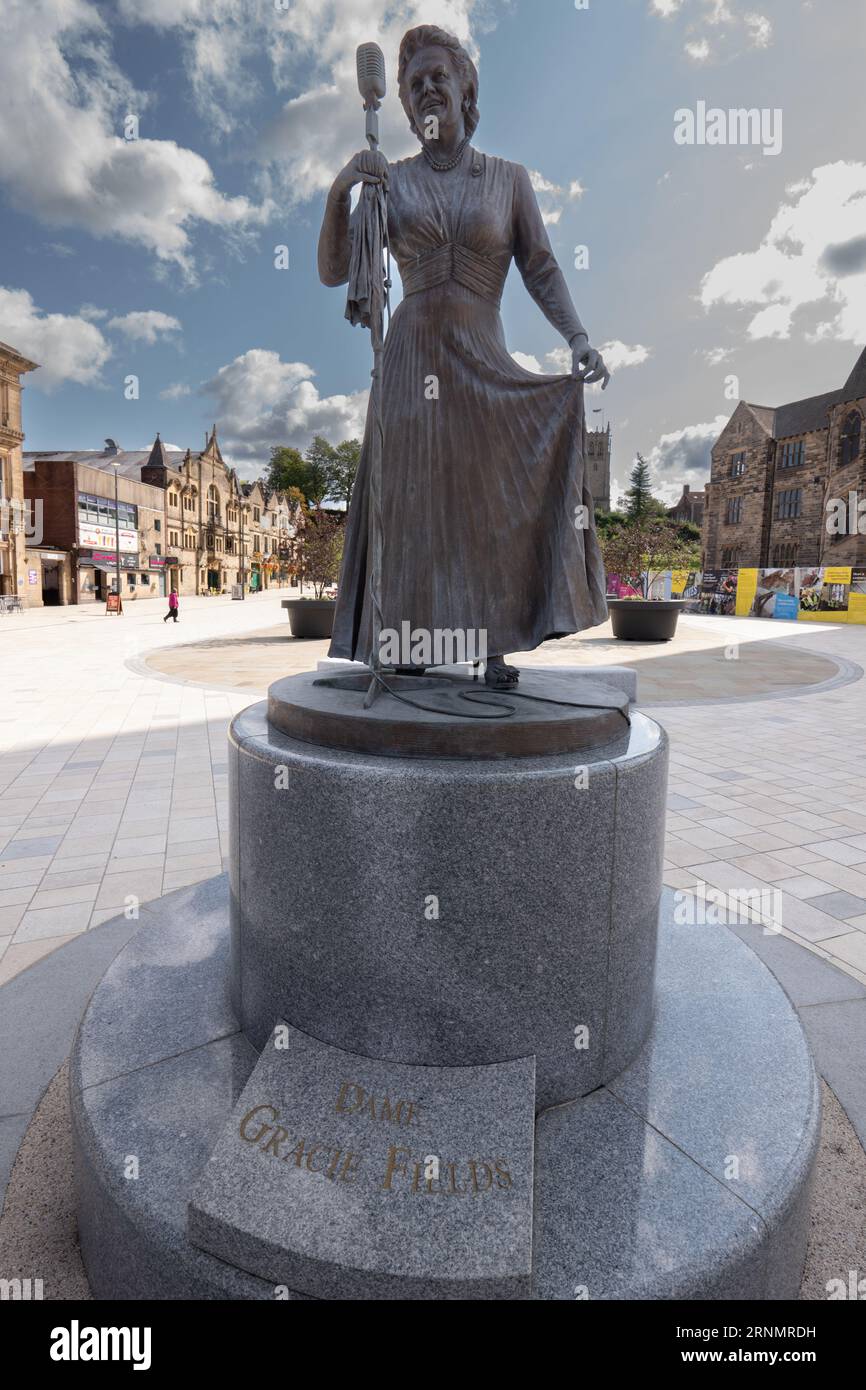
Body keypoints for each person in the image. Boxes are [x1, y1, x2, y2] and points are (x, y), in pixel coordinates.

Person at [318, 24, 610, 688]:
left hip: (482, 354)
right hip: (410, 356)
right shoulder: (387, 181)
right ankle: (407, 639)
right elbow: (336, 270)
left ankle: (496, 640)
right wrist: (342, 191)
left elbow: (541, 267)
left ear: (464, 87)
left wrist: (578, 337)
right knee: (412, 499)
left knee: (495, 498)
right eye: (413, 83)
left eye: (436, 77)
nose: (426, 90)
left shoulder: (507, 180)